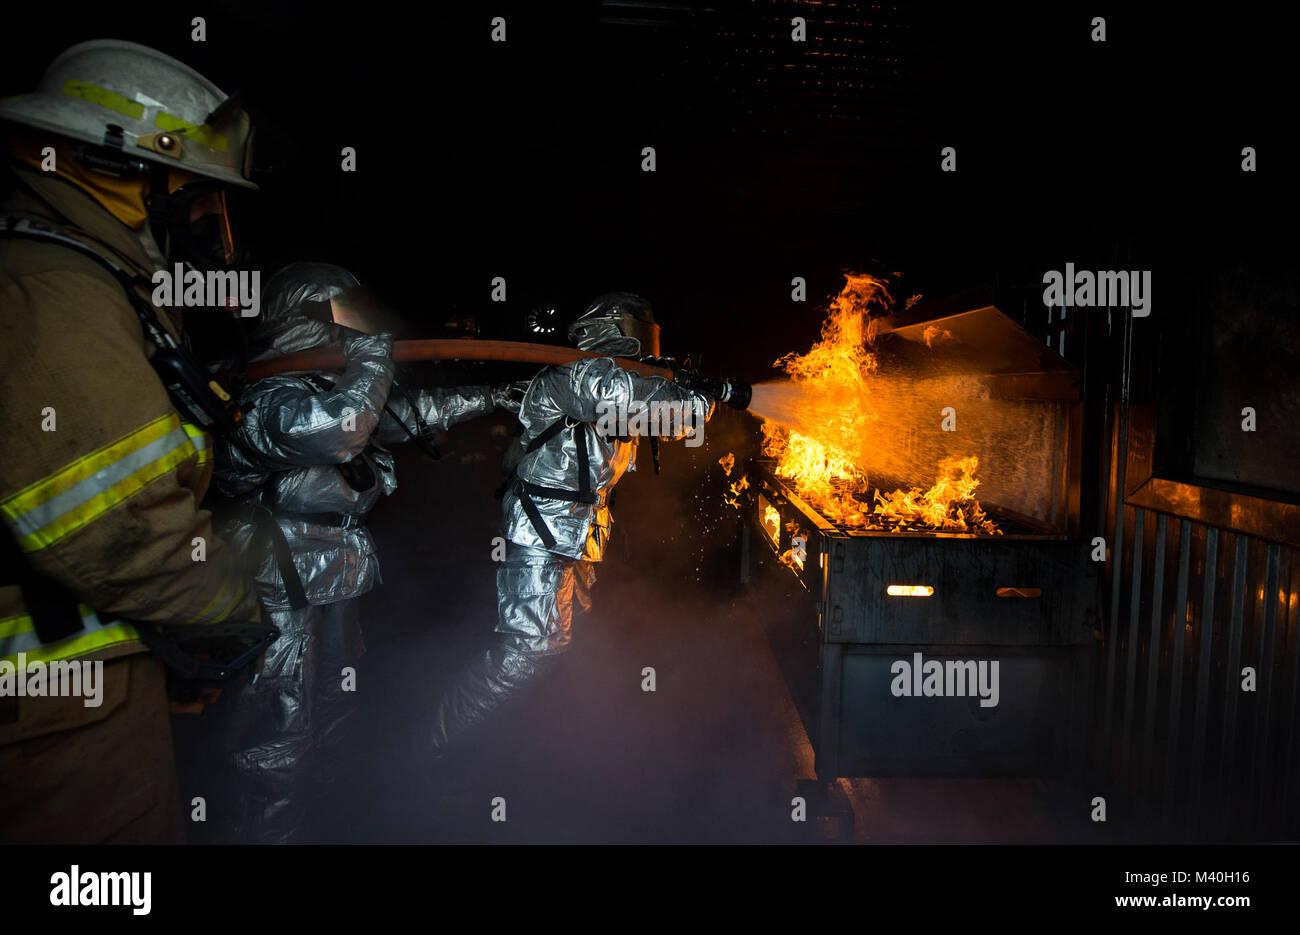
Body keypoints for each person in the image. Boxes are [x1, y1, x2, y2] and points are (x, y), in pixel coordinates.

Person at [0, 40, 265, 843]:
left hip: (75, 684)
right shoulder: (56, 292)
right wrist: (234, 618)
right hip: (56, 712)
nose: (205, 228)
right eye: (194, 200)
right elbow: (124, 525)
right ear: (122, 173)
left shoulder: (79, 274)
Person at [210, 261, 522, 842]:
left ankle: (328, 824)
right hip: (277, 579)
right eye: (346, 317)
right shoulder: (266, 393)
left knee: (335, 708)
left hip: (336, 570)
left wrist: (498, 394)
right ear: (305, 322)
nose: (361, 329)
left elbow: (411, 415)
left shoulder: (332, 385)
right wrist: (374, 355)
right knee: (279, 731)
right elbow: (344, 427)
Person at [424, 292, 714, 759]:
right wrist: (701, 394)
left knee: (568, 637)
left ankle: (539, 743)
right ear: (616, 330)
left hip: (578, 531)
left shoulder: (617, 377)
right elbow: (669, 415)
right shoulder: (583, 375)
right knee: (528, 651)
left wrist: (683, 385)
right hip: (542, 531)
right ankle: (432, 748)